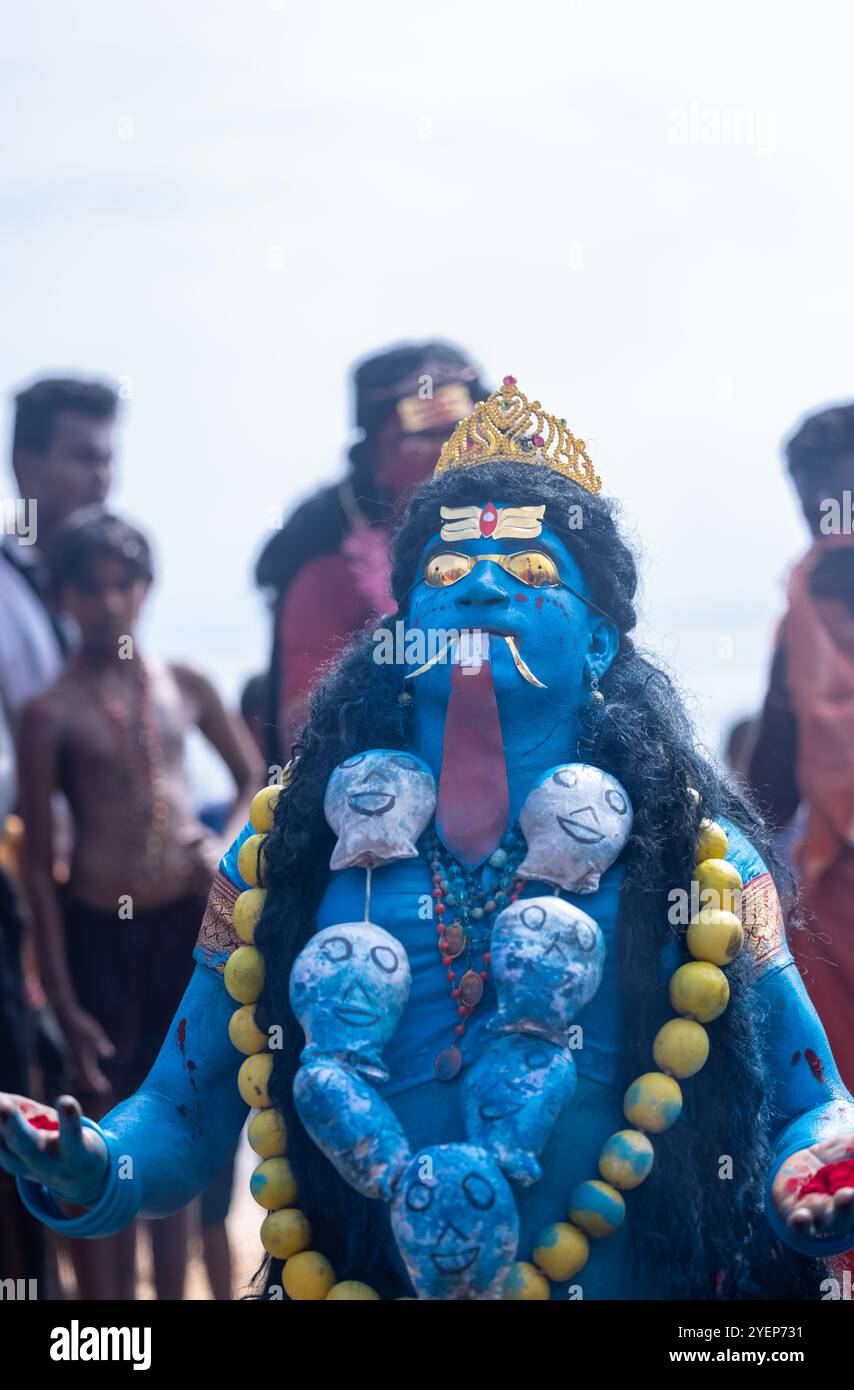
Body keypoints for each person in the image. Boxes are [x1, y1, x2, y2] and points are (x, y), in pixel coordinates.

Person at [2, 379, 852, 1301]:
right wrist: (94, 1169)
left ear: (601, 643)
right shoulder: (284, 856)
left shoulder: (696, 857)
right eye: (446, 572)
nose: (481, 582)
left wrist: (821, 1171)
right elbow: (178, 1107)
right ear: (403, 629)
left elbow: (811, 1104)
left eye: (529, 573)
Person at [13, 511, 259, 1299]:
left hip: (182, 931)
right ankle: (115, 1325)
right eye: (91, 588)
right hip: (96, 940)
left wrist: (215, 849)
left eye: (126, 584)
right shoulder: (50, 711)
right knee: (105, 1126)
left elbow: (257, 779)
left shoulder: (182, 684)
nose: (111, 602)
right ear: (63, 599)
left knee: (180, 1114)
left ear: (147, 588)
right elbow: (40, 880)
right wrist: (59, 995)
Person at [0, 376, 119, 1297]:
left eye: (108, 457)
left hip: (74, 893)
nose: (102, 477)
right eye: (83, 455)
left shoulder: (80, 592)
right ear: (25, 462)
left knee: (73, 1099)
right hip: (18, 890)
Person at [255, 341, 487, 763]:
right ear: (376, 462)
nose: (448, 457)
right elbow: (303, 725)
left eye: (462, 436)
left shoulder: (534, 545)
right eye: (419, 442)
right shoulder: (329, 575)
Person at [745, 404, 854, 1093]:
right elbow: (776, 773)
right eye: (808, 488)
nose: (820, 505)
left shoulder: (819, 586)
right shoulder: (810, 599)